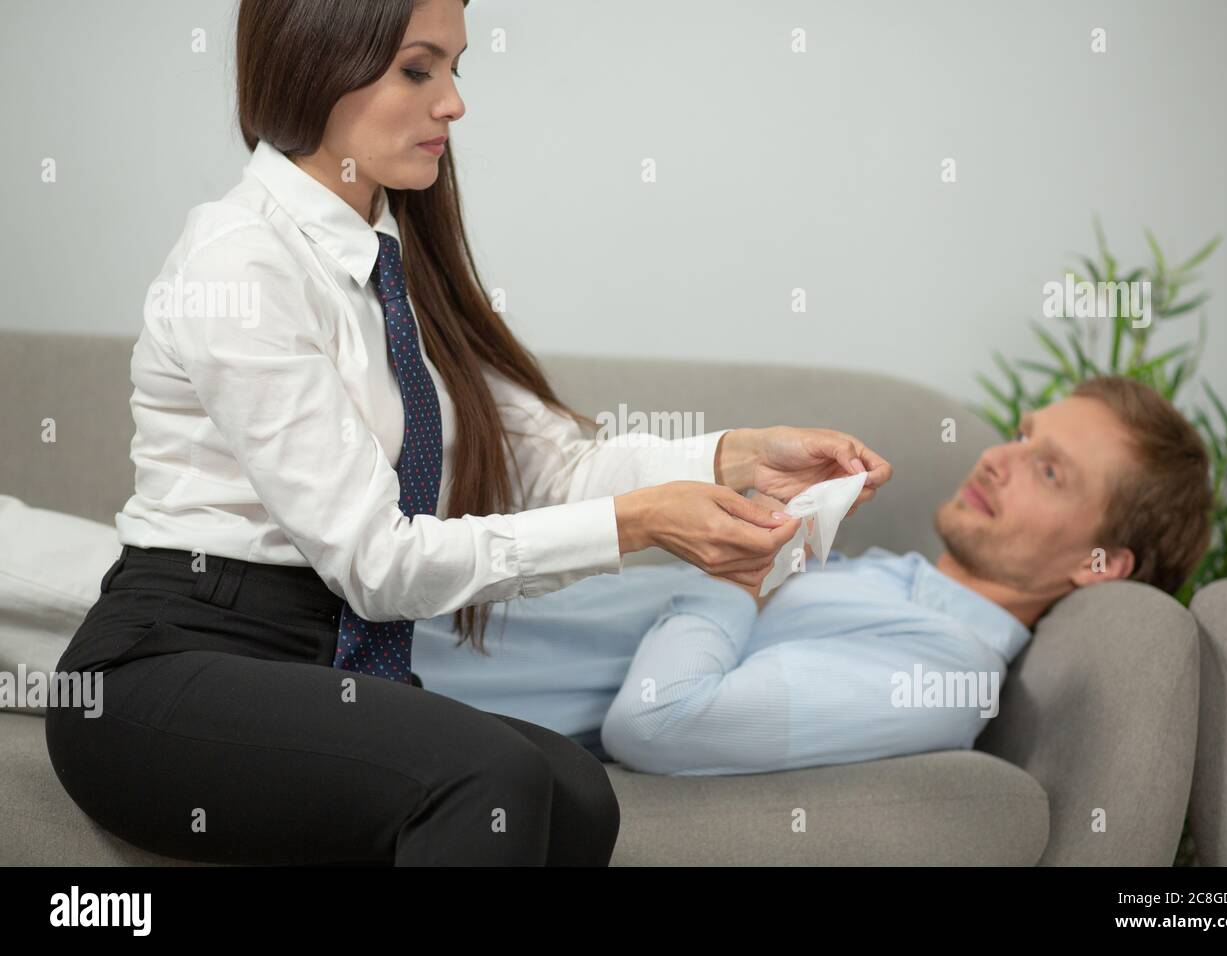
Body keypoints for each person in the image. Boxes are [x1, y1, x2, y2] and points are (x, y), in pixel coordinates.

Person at [44, 0, 890, 866]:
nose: (453, 103)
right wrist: (641, 523)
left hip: (317, 666)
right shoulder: (240, 262)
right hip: (170, 666)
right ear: (315, 63)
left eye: (456, 69)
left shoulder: (395, 263)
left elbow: (557, 465)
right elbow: (379, 564)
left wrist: (741, 456)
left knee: (576, 793)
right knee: (487, 777)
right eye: (419, 69)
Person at [410, 376, 1213, 774]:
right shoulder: (885, 575)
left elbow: (658, 722)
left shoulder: (949, 670)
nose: (1000, 459)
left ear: (1098, 565)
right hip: (414, 612)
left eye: (1050, 472)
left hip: (411, 683)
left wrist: (738, 571)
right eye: (1023, 435)